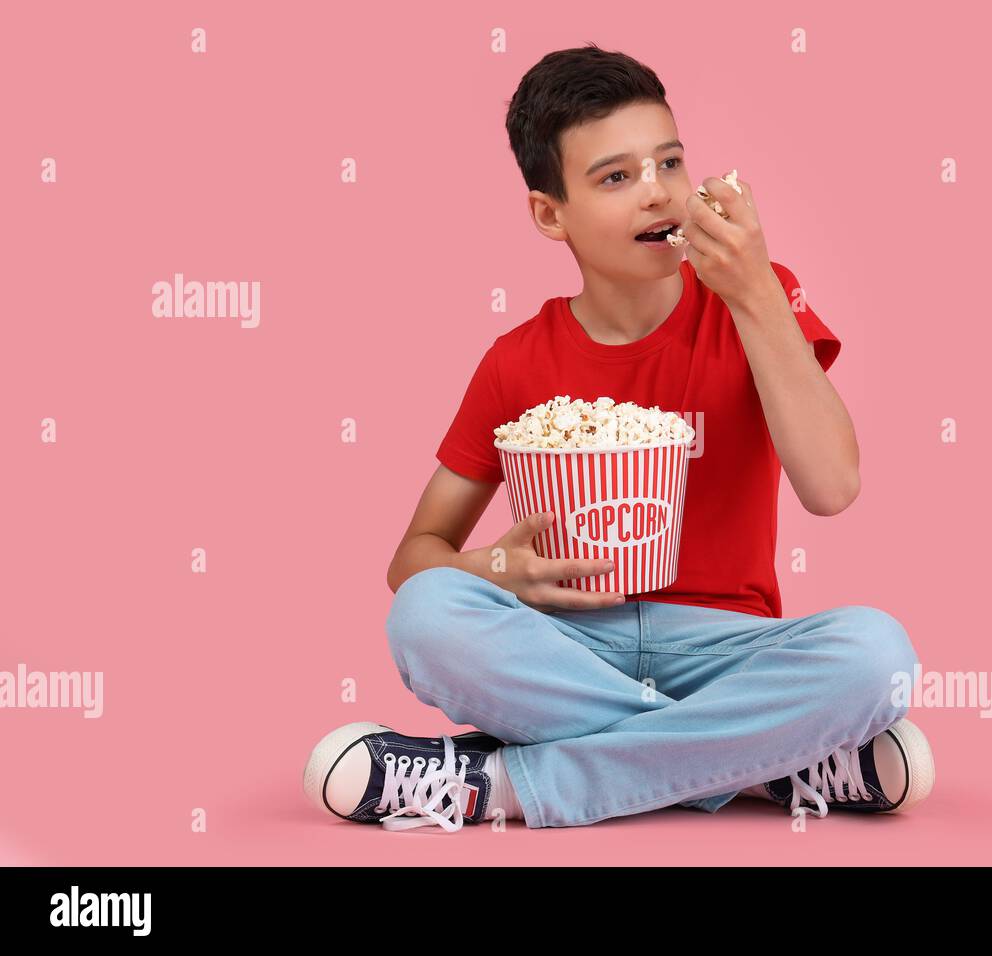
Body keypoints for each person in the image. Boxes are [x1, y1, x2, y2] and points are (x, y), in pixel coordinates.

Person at [303, 43, 934, 832]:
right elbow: (415, 558)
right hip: (566, 647)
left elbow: (832, 487)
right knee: (426, 615)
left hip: (729, 648)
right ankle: (767, 763)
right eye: (615, 177)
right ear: (548, 213)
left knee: (878, 657)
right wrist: (500, 570)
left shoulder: (756, 301)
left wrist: (757, 293)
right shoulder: (515, 363)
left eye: (669, 164)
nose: (657, 194)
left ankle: (495, 786)